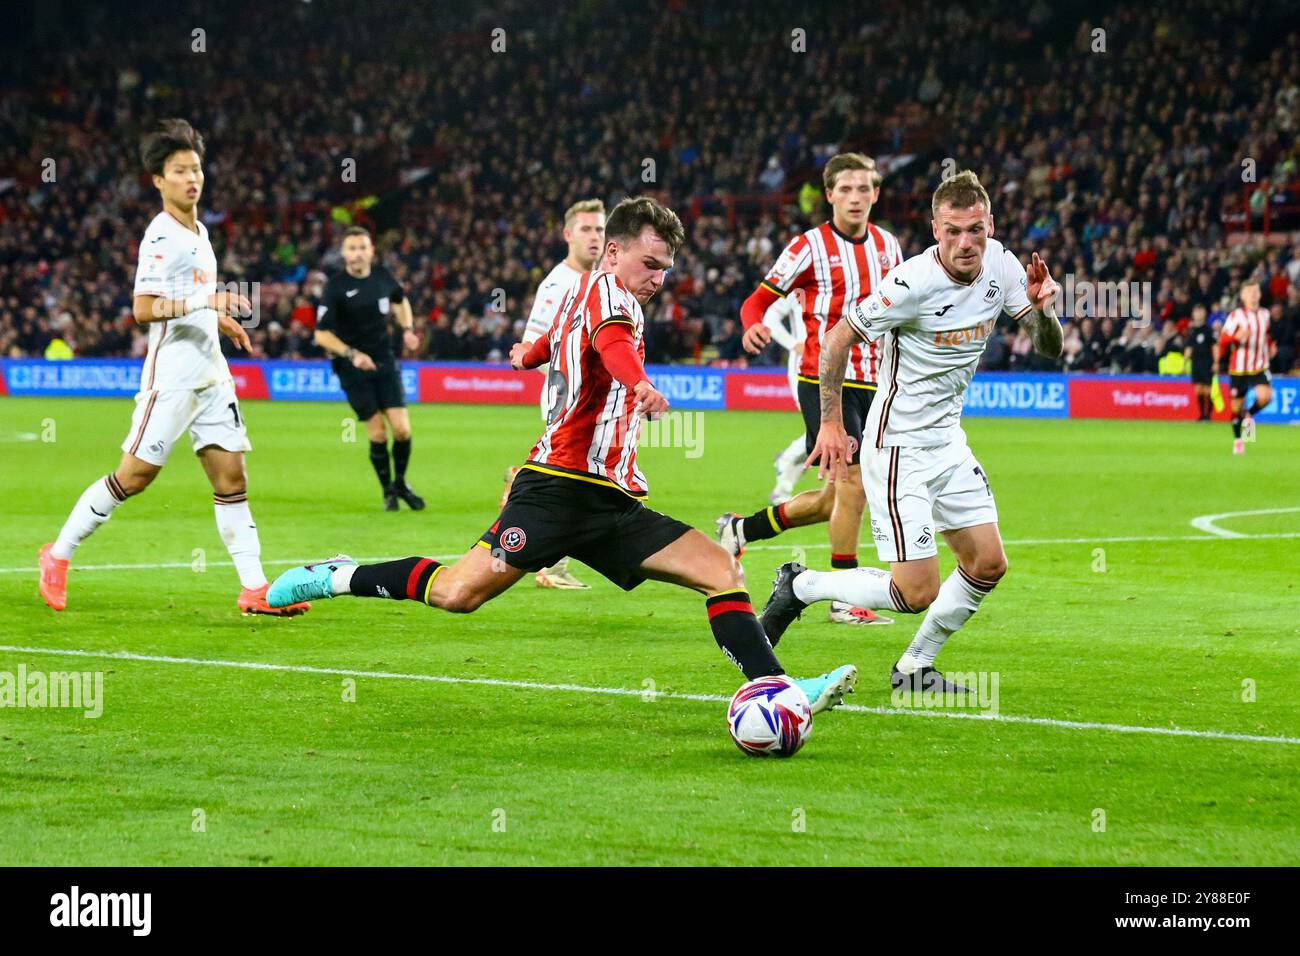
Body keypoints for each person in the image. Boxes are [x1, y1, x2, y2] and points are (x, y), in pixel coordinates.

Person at [266, 198, 857, 715]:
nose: (657, 278)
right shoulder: (614, 304)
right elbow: (611, 343)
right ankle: (338, 575)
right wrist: (641, 384)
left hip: (612, 501)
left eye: (666, 269)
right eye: (649, 264)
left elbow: (567, 338)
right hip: (556, 490)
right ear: (613, 252)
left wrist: (529, 355)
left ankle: (779, 690)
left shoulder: (588, 292)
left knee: (721, 571)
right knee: (457, 594)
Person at [760, 171, 1063, 693]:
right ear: (934, 230)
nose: (965, 243)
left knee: (988, 562)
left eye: (975, 230)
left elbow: (1048, 347)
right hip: (897, 442)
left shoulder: (1005, 265)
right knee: (915, 590)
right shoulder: (911, 283)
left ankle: (914, 668)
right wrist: (831, 421)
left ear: (990, 225)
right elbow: (836, 340)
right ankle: (802, 584)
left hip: (947, 440)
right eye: (952, 231)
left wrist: (1043, 310)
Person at [38, 118, 309, 617]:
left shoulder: (200, 231)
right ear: (158, 180)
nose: (192, 178)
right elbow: (144, 307)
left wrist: (218, 317)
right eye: (179, 170)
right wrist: (207, 299)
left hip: (211, 375)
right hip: (172, 381)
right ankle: (57, 555)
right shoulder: (160, 236)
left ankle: (255, 588)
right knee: (134, 477)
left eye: (196, 168)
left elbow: (189, 299)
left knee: (231, 478)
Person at [718, 153, 902, 627]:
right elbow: (756, 301)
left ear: (876, 193)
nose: (856, 198)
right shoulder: (808, 247)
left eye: (864, 189)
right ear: (829, 195)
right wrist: (751, 326)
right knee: (856, 485)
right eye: (846, 189)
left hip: (876, 381)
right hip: (826, 382)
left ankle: (740, 529)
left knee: (831, 499)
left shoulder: (889, 247)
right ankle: (845, 598)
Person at [505, 198, 607, 589]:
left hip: (591, 403)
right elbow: (533, 343)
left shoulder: (600, 280)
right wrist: (578, 370)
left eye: (600, 229)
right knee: (569, 483)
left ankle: (553, 562)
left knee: (580, 483)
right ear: (568, 235)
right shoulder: (557, 284)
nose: (595, 237)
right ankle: (546, 563)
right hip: (567, 401)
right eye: (586, 229)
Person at [314, 227, 424, 510]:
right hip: (352, 368)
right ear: (344, 253)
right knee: (378, 434)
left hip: (384, 360)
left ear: (371, 251)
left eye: (363, 247)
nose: (358, 253)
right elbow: (321, 335)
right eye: (352, 248)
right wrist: (353, 354)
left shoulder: (383, 277)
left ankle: (400, 482)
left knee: (402, 430)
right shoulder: (336, 287)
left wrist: (408, 329)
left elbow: (400, 301)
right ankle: (388, 490)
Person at [1219, 280, 1274, 454]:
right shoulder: (1236, 316)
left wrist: (1271, 346)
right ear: (1243, 296)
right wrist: (1236, 337)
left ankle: (1249, 415)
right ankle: (1238, 441)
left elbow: (1266, 335)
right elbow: (1223, 340)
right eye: (1250, 291)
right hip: (1239, 368)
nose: (1253, 294)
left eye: (1256, 291)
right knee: (1236, 408)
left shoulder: (1265, 314)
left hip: (1259, 365)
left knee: (1266, 397)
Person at [1184, 304, 1218, 421]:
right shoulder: (1192, 331)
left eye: (1200, 311)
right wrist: (1185, 361)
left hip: (1207, 362)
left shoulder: (1209, 330)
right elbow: (1189, 347)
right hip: (1196, 363)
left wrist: (1216, 362)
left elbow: (1215, 347)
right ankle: (1201, 414)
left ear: (1204, 313)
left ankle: (1208, 415)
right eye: (1196, 311)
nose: (1198, 314)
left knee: (1207, 389)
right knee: (1198, 389)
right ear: (1193, 314)